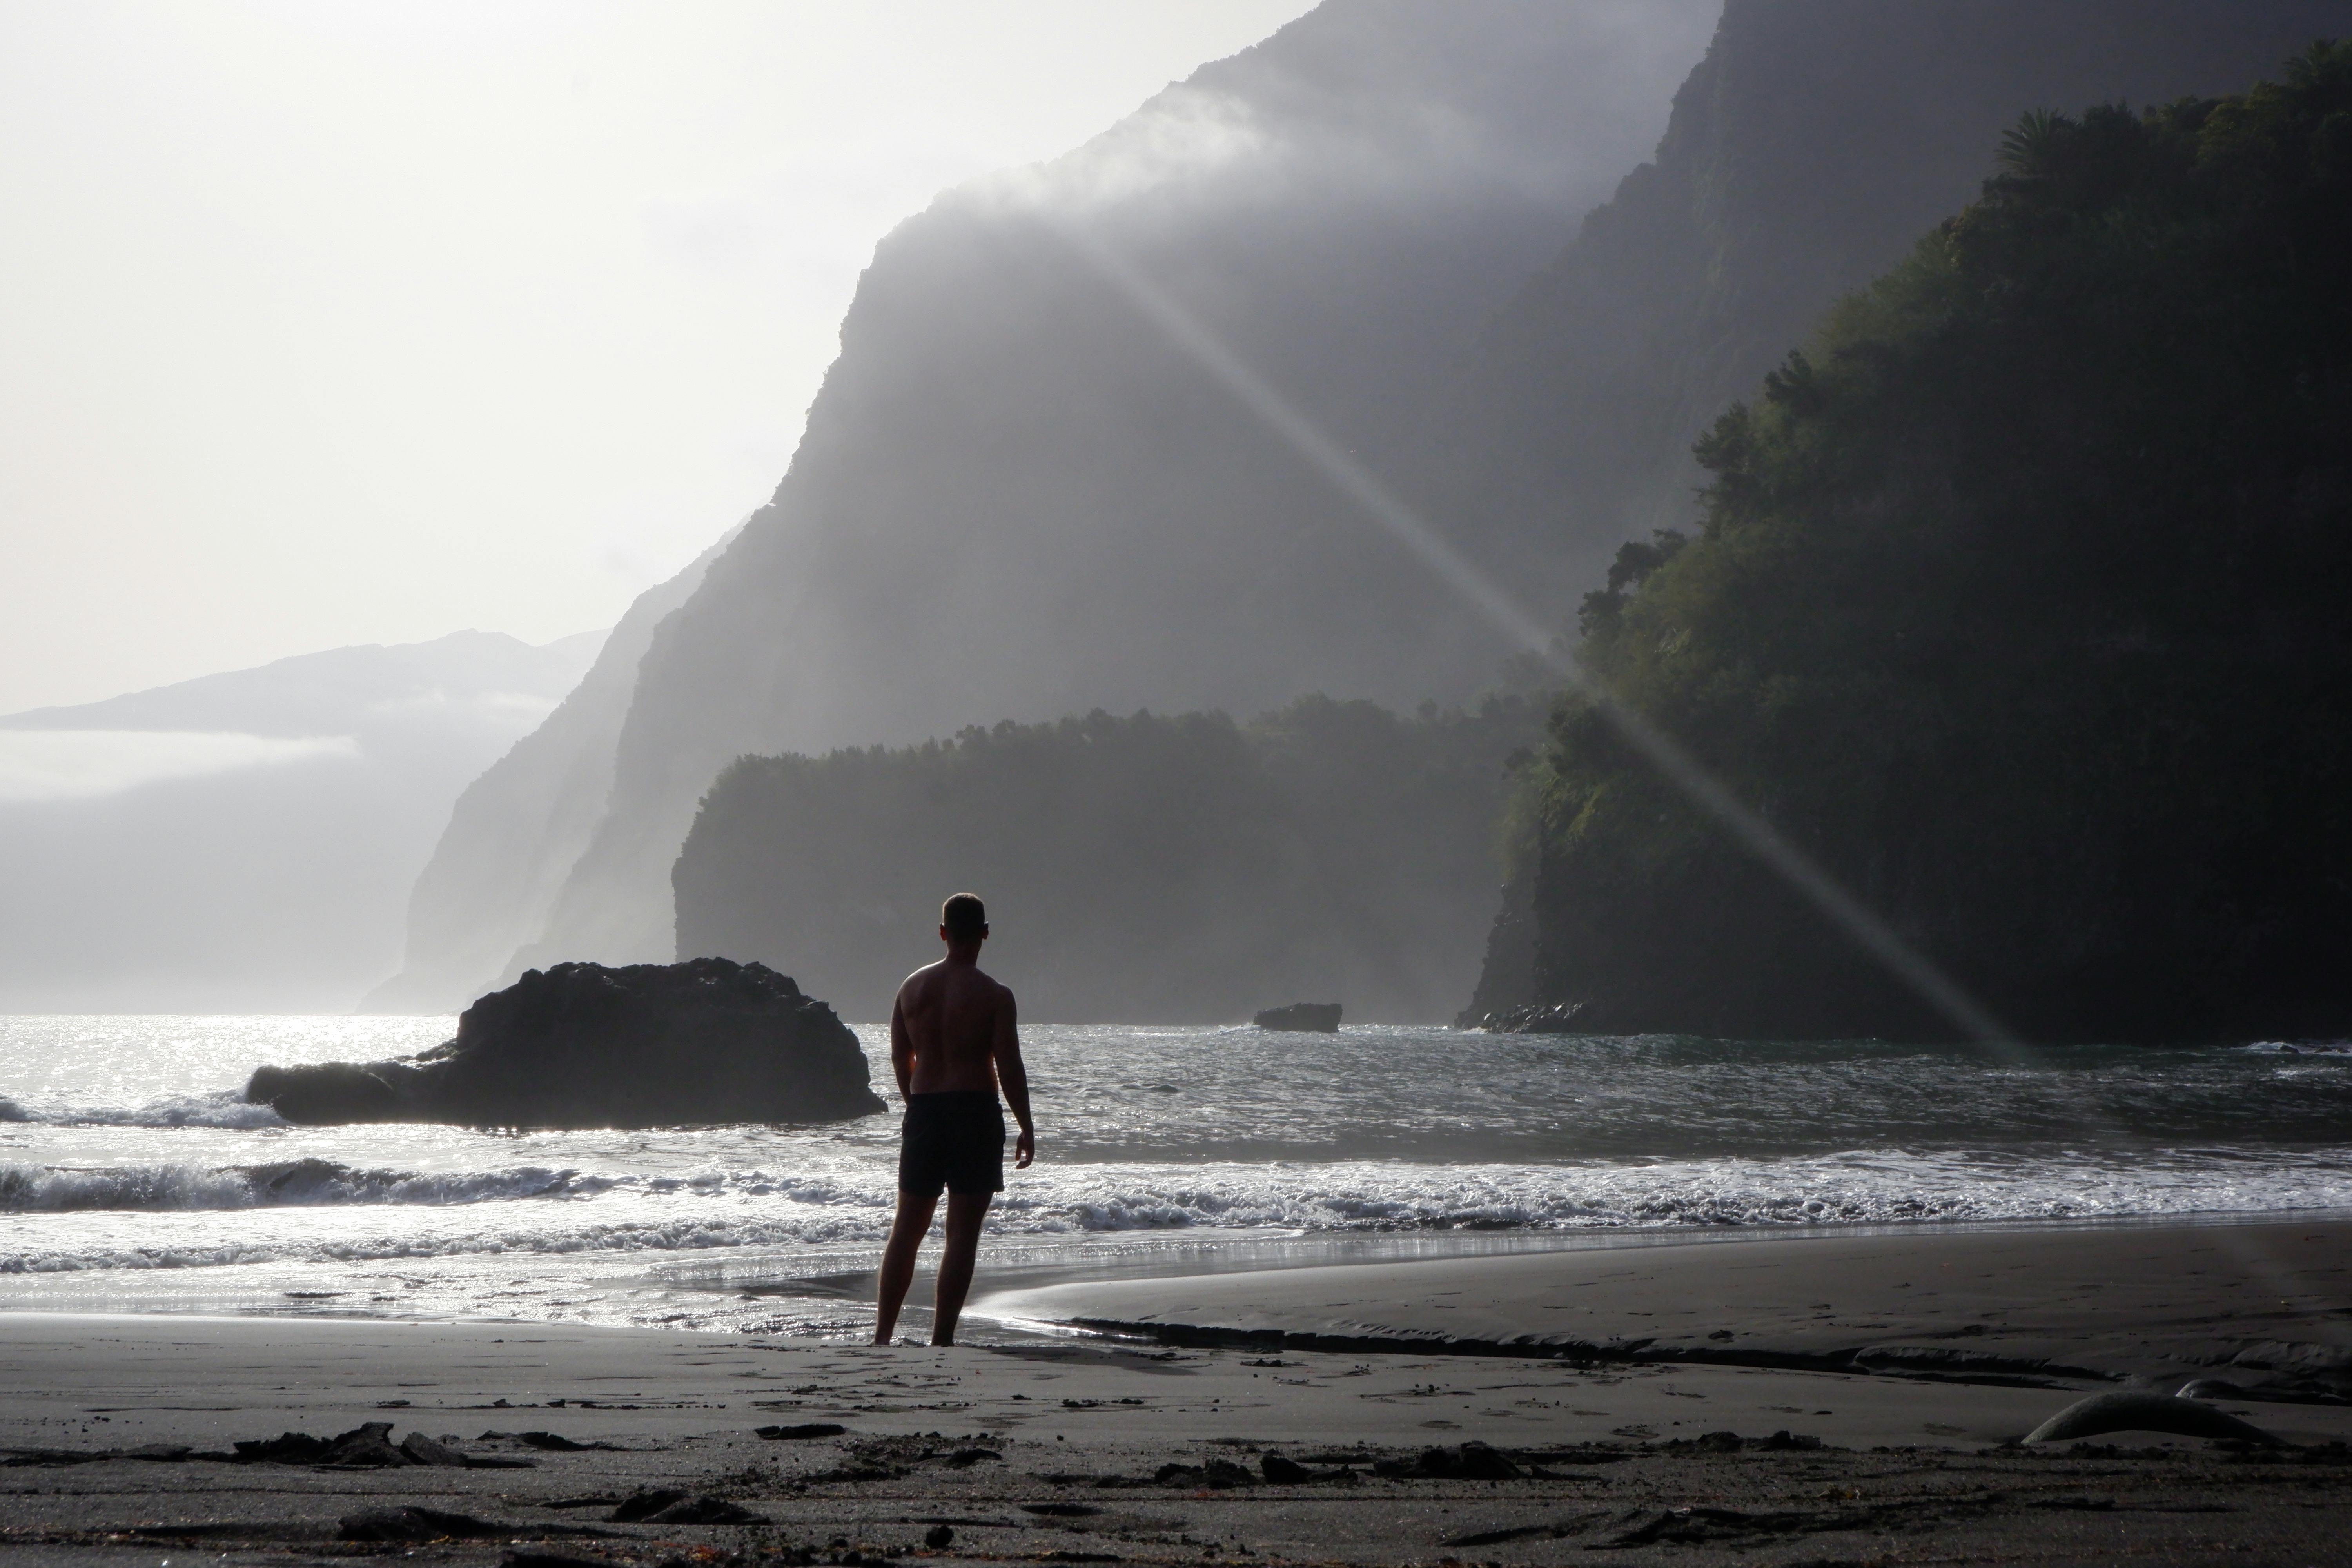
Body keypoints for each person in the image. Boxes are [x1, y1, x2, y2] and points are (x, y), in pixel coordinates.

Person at [871, 892, 1035, 1345]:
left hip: (926, 1110)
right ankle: (941, 1338)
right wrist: (1026, 1125)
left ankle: (882, 1335)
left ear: (943, 932)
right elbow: (1009, 1066)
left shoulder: (911, 988)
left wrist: (915, 1104)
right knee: (961, 1234)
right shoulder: (995, 995)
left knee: (907, 1228)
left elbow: (900, 1058)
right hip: (974, 1113)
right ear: (985, 932)